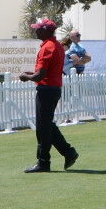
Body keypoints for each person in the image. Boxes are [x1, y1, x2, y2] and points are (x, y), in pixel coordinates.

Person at [19, 18, 78, 173]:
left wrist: (26, 77)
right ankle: (68, 152)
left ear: (45, 30)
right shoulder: (56, 46)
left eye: (38, 29)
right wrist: (33, 75)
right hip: (53, 88)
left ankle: (44, 162)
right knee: (47, 125)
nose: (36, 31)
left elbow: (40, 76)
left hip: (46, 90)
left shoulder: (47, 48)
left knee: (43, 127)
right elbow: (45, 72)